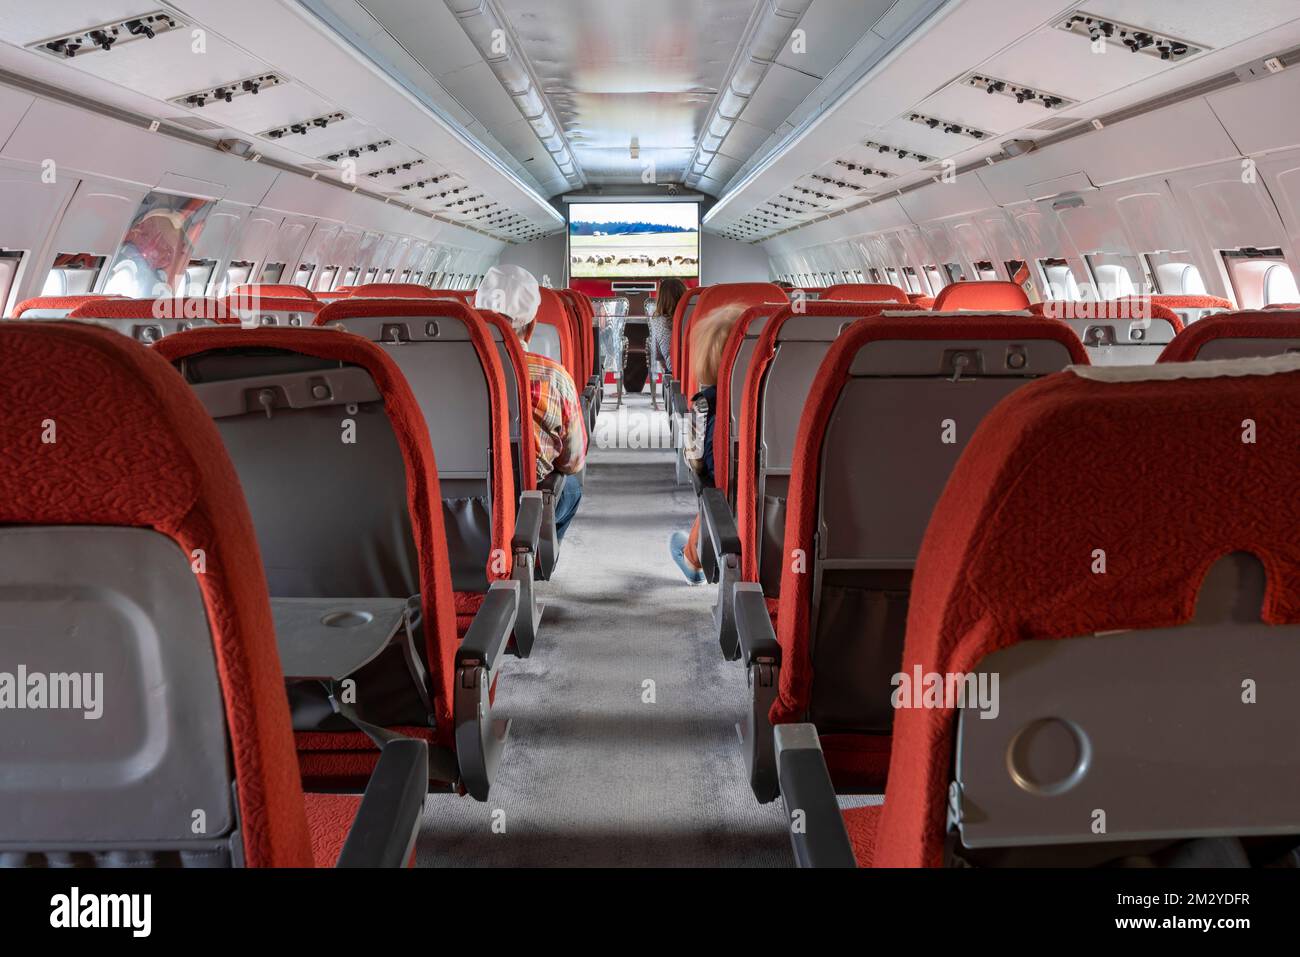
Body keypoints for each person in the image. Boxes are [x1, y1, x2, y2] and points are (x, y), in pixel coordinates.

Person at [475, 265, 587, 540]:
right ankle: (536, 557)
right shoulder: (554, 376)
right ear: (532, 326)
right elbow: (572, 461)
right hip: (523, 503)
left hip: (454, 504)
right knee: (571, 486)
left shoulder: (443, 369)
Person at [669, 303, 747, 583]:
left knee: (714, 492)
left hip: (727, 500)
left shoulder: (706, 407)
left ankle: (694, 559)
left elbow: (699, 461)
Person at [648, 277, 687, 379]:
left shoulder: (657, 320)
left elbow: (658, 355)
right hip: (698, 368)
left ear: (661, 298)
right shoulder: (695, 314)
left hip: (675, 371)